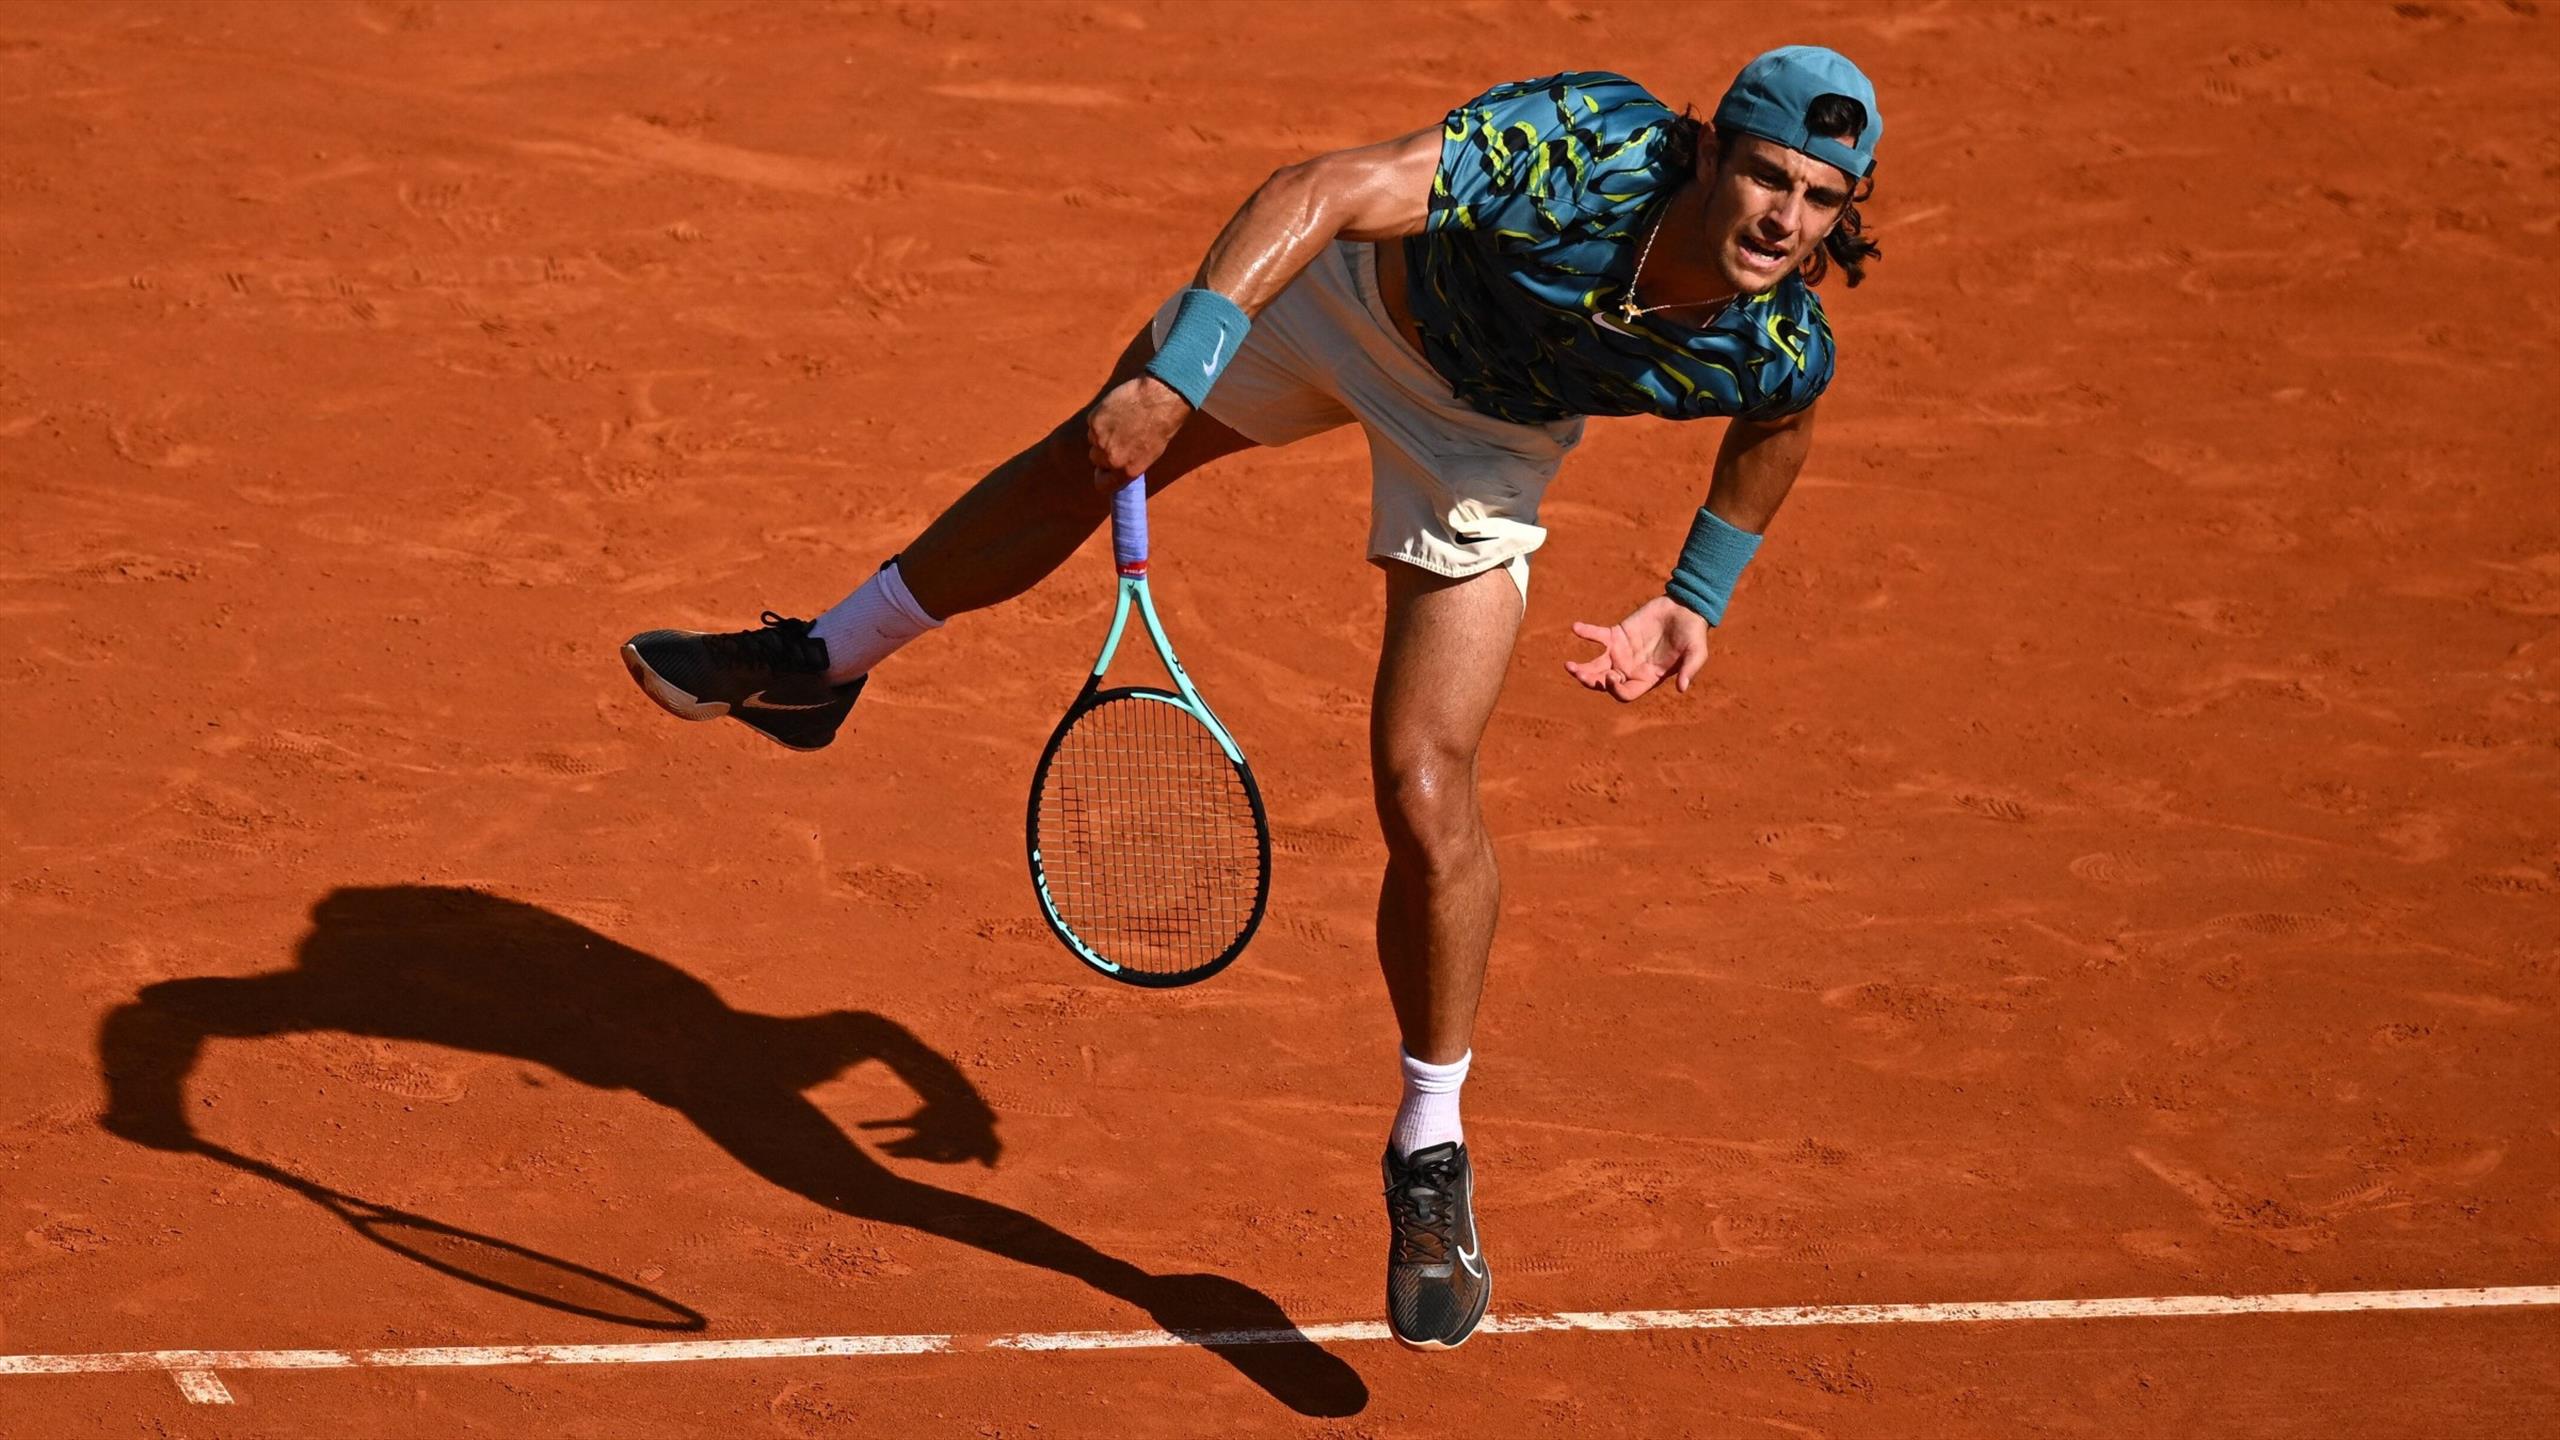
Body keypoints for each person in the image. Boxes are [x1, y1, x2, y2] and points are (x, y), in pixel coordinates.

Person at [621, 46, 1884, 1352]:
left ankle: (1429, 1151)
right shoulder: (1577, 152)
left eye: (1821, 198)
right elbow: (1326, 186)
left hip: (1485, 441)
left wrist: (1696, 594)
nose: (1784, 220)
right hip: (1339, 307)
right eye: (1765, 176)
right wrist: (1180, 372)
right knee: (1086, 456)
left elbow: (1781, 424)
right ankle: (824, 665)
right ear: (1706, 155)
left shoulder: (1771, 336)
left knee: (1425, 786)